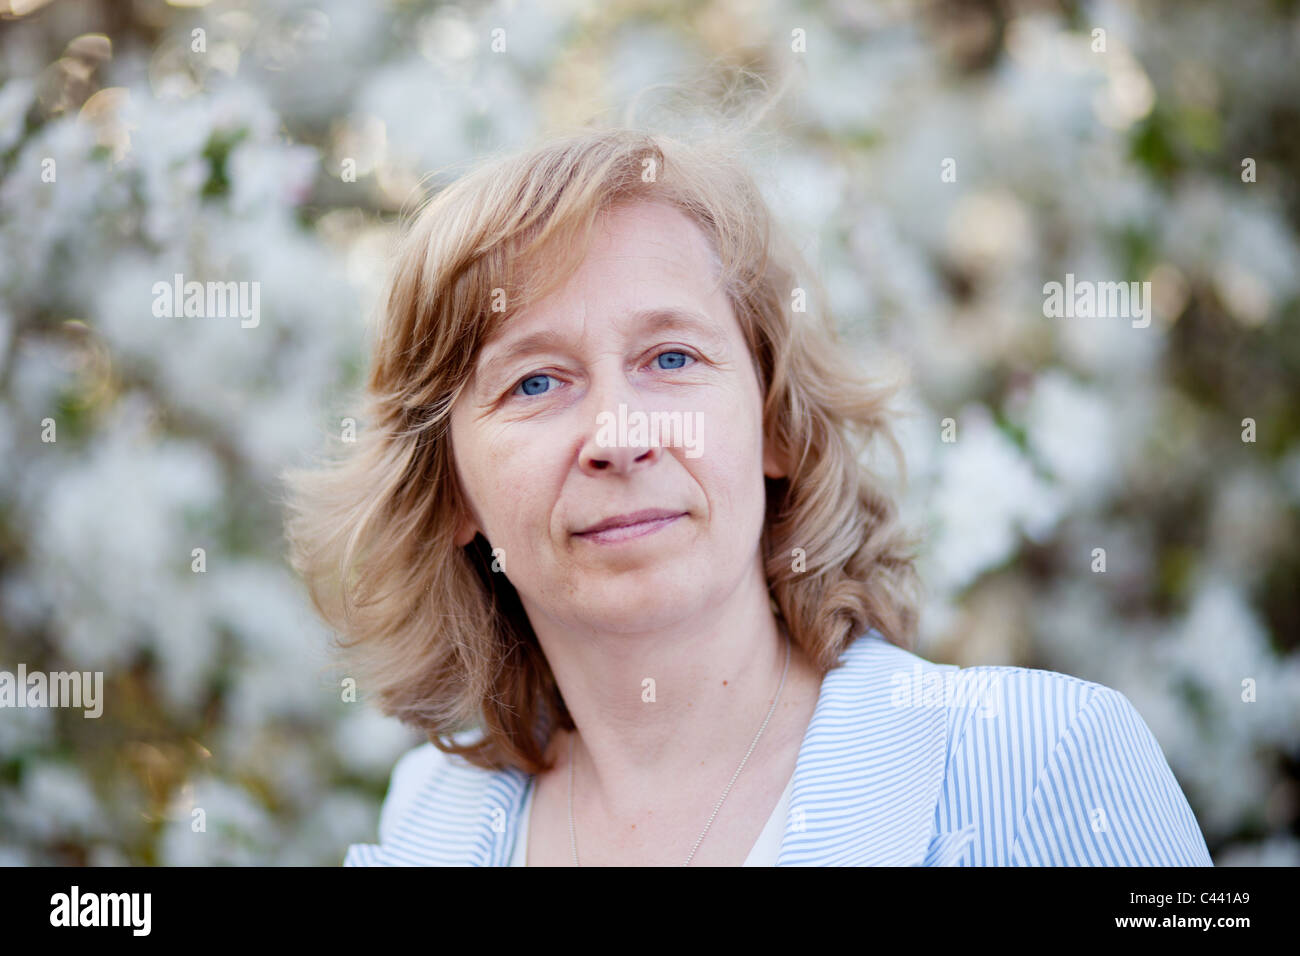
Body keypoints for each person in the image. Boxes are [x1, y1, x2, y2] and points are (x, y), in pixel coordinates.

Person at [282, 122, 1213, 866]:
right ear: (452, 490)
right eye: (535, 382)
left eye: (672, 358)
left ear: (772, 422)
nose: (620, 437)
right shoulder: (429, 829)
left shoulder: (1038, 767)